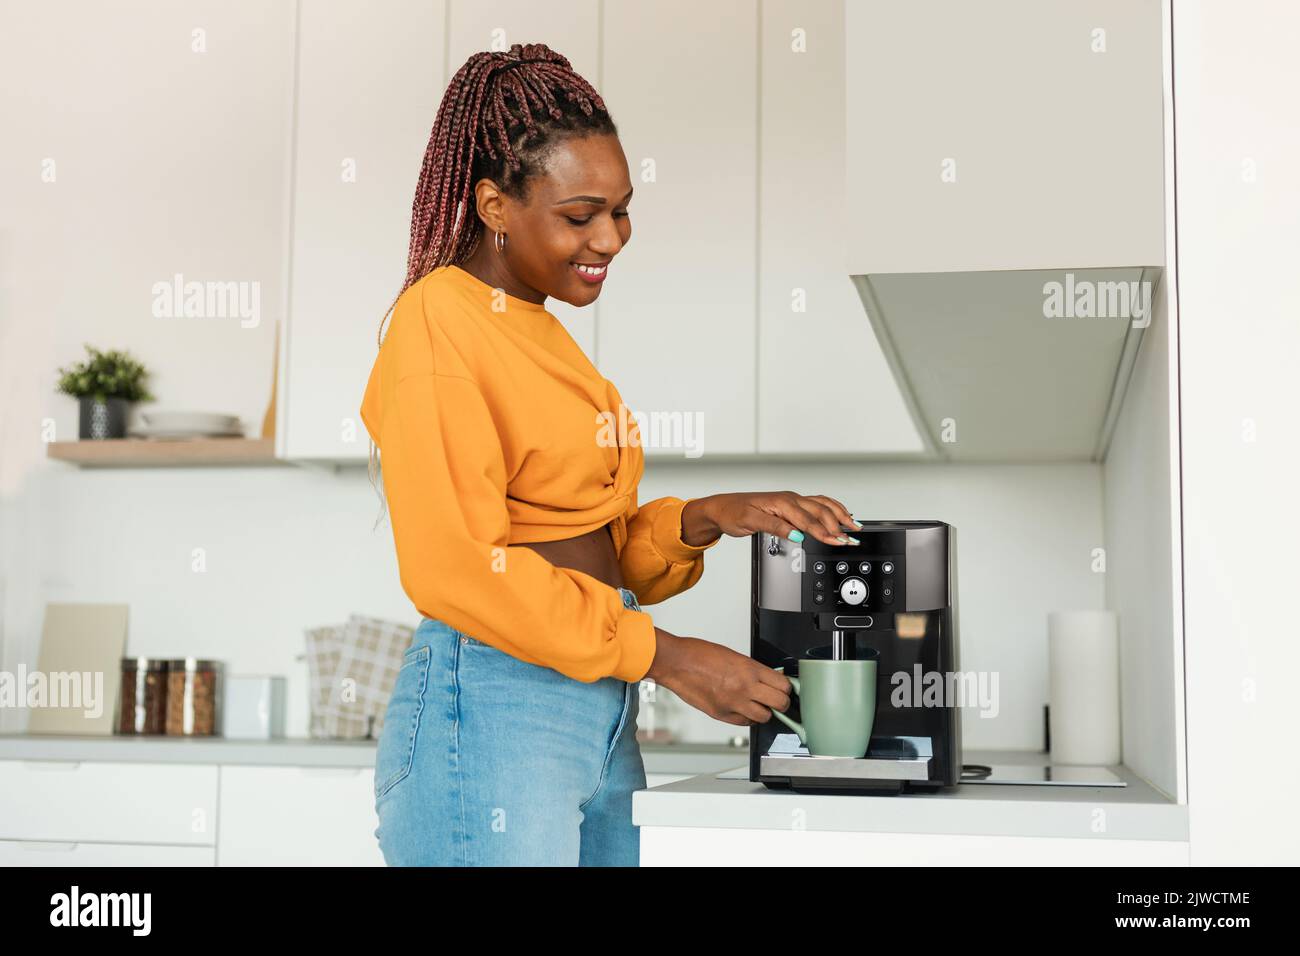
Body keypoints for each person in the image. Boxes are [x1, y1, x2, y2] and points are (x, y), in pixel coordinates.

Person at [360, 42, 863, 866]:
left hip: (596, 701)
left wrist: (706, 518)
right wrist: (668, 657)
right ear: (493, 205)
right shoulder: (438, 322)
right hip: (491, 703)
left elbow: (592, 547)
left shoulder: (545, 336)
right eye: (580, 214)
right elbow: (456, 567)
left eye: (622, 210)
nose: (612, 237)